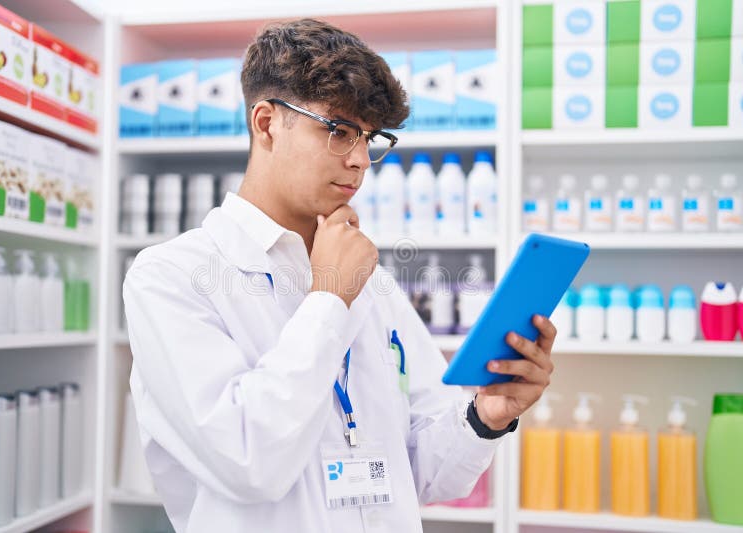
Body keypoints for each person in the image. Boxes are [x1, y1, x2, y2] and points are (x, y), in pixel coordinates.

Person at [123, 18, 555, 533]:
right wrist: (328, 299)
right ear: (266, 124)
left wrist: (486, 417)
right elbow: (247, 461)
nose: (359, 161)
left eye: (370, 138)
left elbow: (421, 473)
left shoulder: (369, 279)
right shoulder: (171, 276)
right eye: (338, 131)